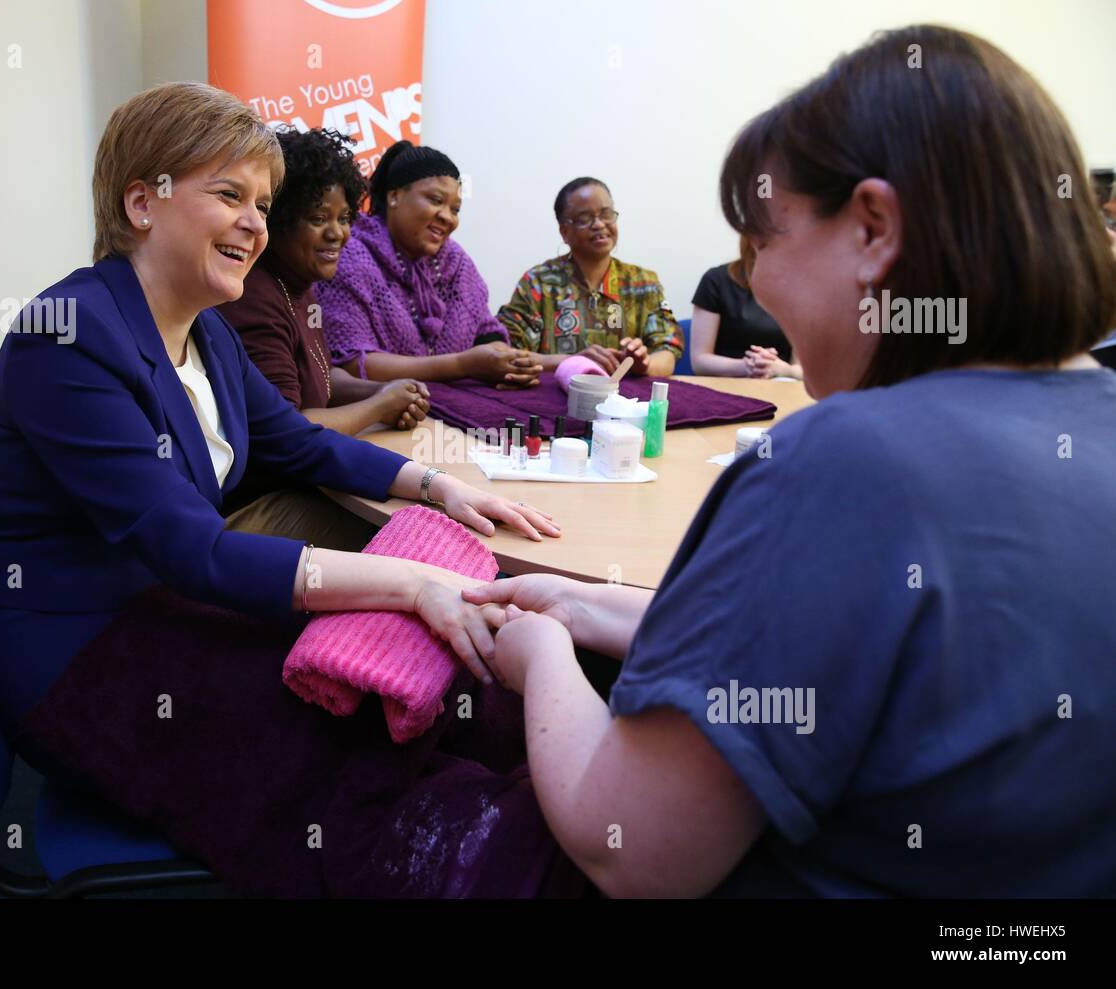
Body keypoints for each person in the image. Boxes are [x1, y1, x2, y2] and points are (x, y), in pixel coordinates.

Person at [464, 24, 1116, 897]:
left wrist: (543, 649)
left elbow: (630, 846)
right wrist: (586, 601)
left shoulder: (847, 456)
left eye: (763, 241)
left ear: (874, 227)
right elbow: (847, 649)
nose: (757, 282)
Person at [0, 83, 560, 774]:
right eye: (230, 196)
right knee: (380, 748)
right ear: (141, 204)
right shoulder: (67, 336)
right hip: (86, 661)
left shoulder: (208, 333)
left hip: (174, 612)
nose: (255, 224)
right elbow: (197, 550)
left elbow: (296, 439)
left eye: (261, 204)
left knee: (435, 698)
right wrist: (409, 580)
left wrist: (438, 486)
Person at [217, 128, 429, 436]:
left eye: (343, 219)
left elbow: (322, 376)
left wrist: (386, 391)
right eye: (318, 219)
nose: (337, 233)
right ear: (277, 220)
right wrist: (379, 406)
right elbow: (285, 431)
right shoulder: (253, 299)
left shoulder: (300, 286)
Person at [315, 140, 542, 388]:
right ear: (394, 196)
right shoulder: (350, 256)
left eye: (455, 209)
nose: (447, 217)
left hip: (452, 415)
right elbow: (350, 365)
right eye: (435, 200)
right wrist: (461, 365)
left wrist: (506, 361)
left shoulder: (457, 263)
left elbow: (487, 336)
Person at [496, 177, 684, 377]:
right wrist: (573, 361)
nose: (599, 224)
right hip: (554, 398)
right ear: (564, 232)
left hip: (624, 402)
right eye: (584, 218)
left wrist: (644, 364)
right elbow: (507, 352)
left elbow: (667, 351)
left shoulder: (643, 283)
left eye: (606, 214)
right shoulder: (539, 282)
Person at [690, 235, 802, 380]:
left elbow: (803, 370)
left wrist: (782, 369)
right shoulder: (715, 280)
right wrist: (746, 366)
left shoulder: (800, 286)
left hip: (782, 386)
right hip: (725, 385)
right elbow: (699, 361)